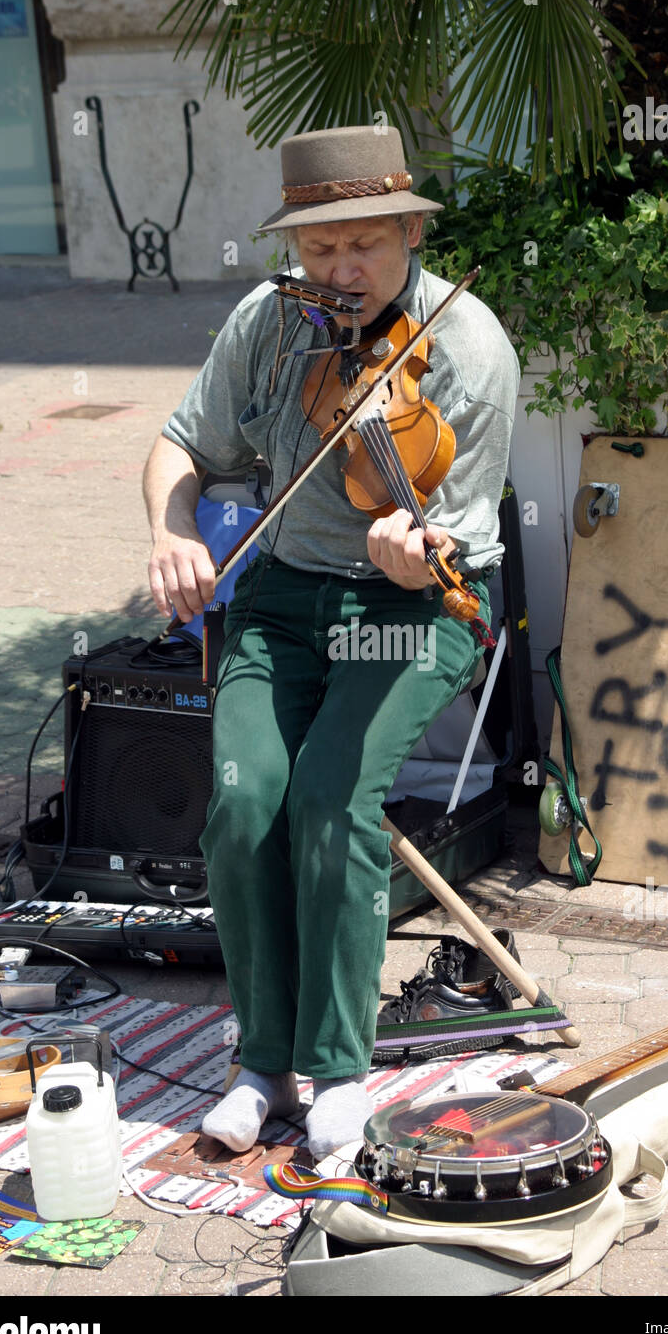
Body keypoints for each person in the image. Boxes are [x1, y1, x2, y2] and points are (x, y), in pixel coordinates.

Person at [143, 125, 520, 1162]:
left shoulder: (470, 346)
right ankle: (260, 1064)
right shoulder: (270, 323)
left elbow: (456, 545)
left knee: (329, 798)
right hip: (283, 601)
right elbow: (181, 444)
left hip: (414, 607)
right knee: (244, 795)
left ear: (408, 228)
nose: (340, 273)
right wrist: (172, 531)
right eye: (318, 251)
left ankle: (340, 1074)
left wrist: (407, 553)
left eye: (363, 245)